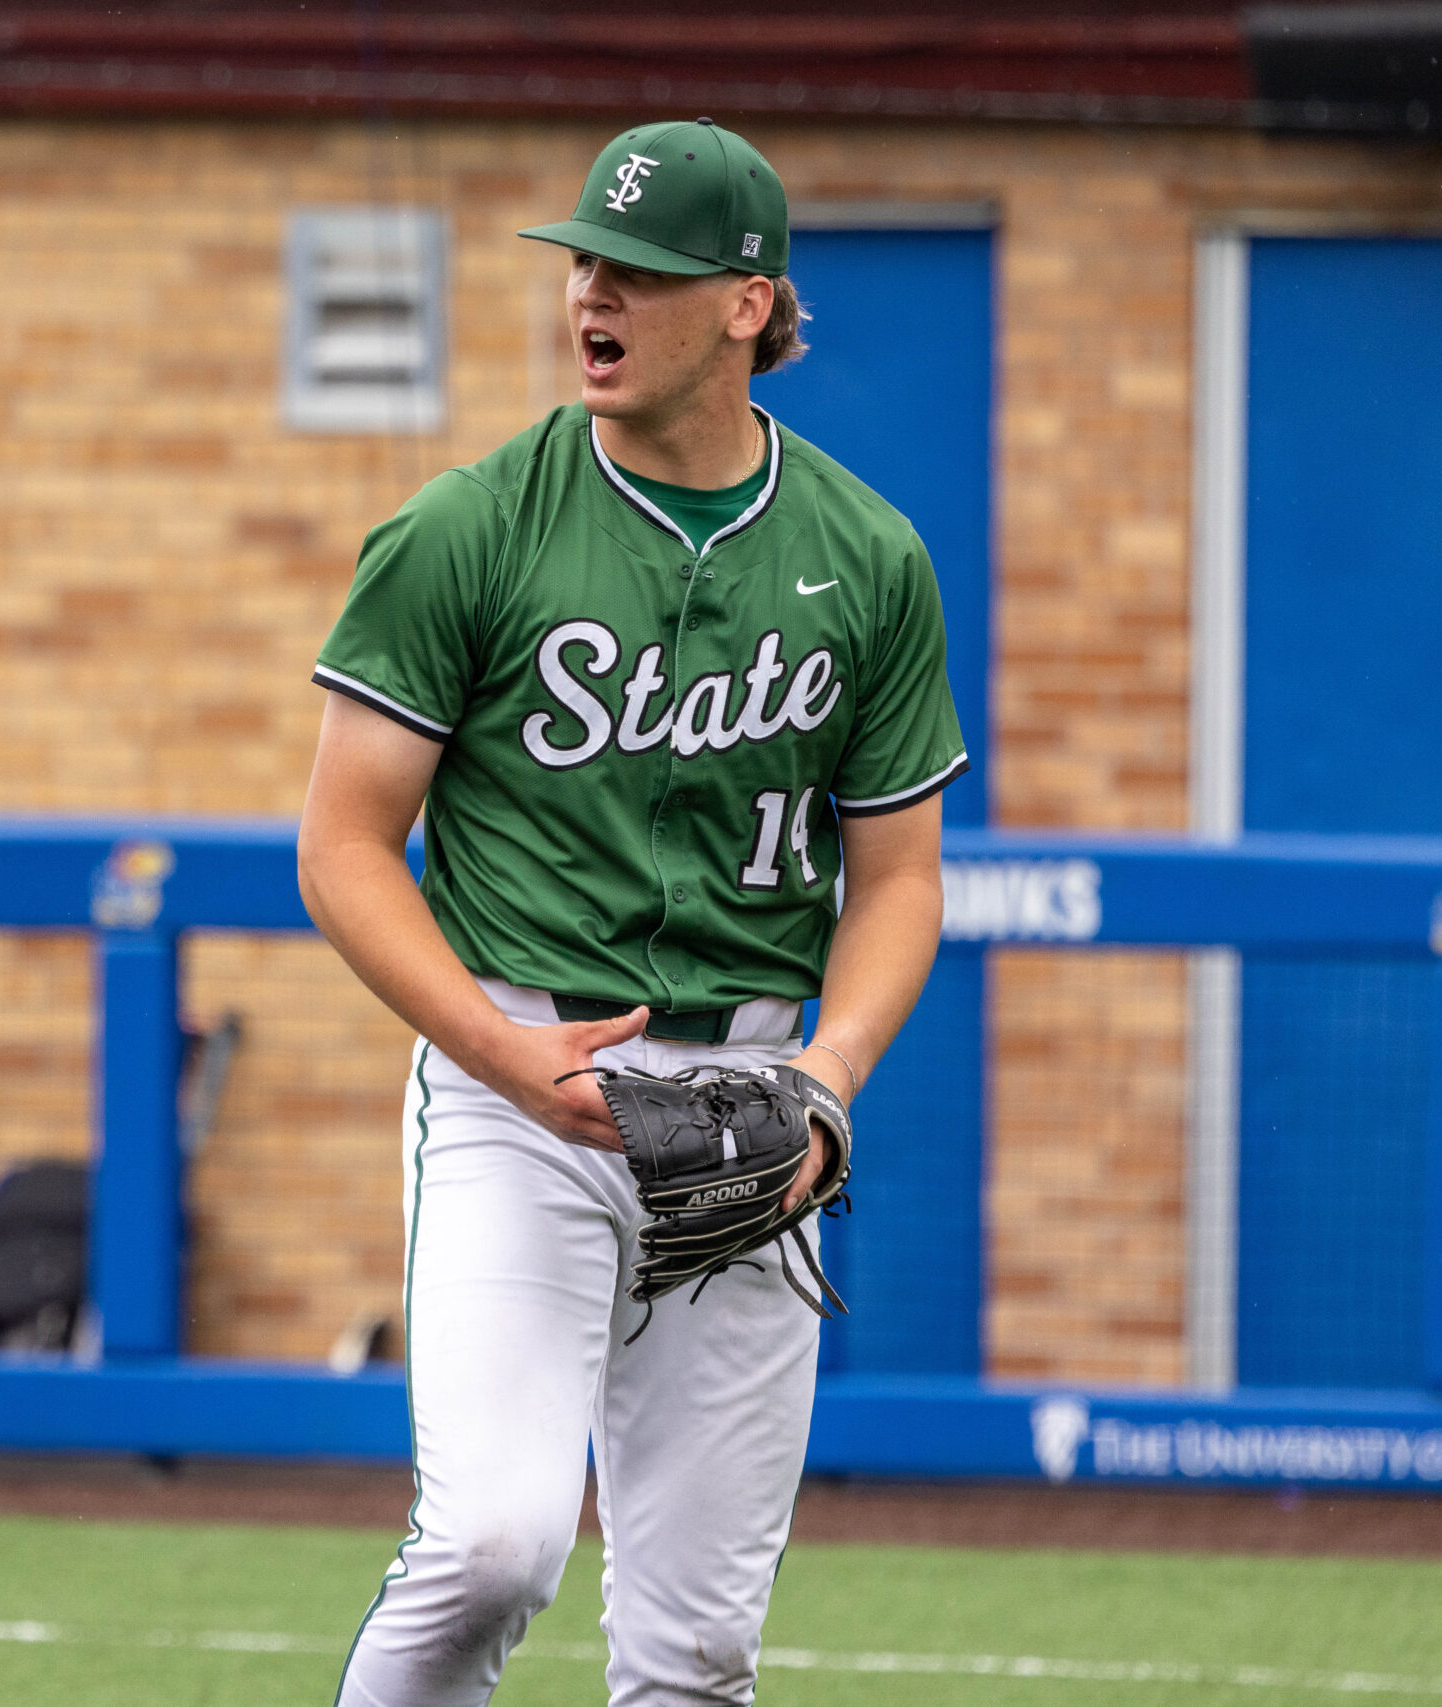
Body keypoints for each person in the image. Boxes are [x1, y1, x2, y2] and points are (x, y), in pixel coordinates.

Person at [299, 121, 964, 1705]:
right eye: (585, 257)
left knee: (695, 1650)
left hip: (745, 1104)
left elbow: (902, 878)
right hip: (520, 1077)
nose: (591, 289)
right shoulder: (470, 527)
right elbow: (341, 845)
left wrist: (833, 1073)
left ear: (749, 304)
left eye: (640, 268)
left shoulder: (867, 555)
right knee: (494, 1543)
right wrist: (489, 1048)